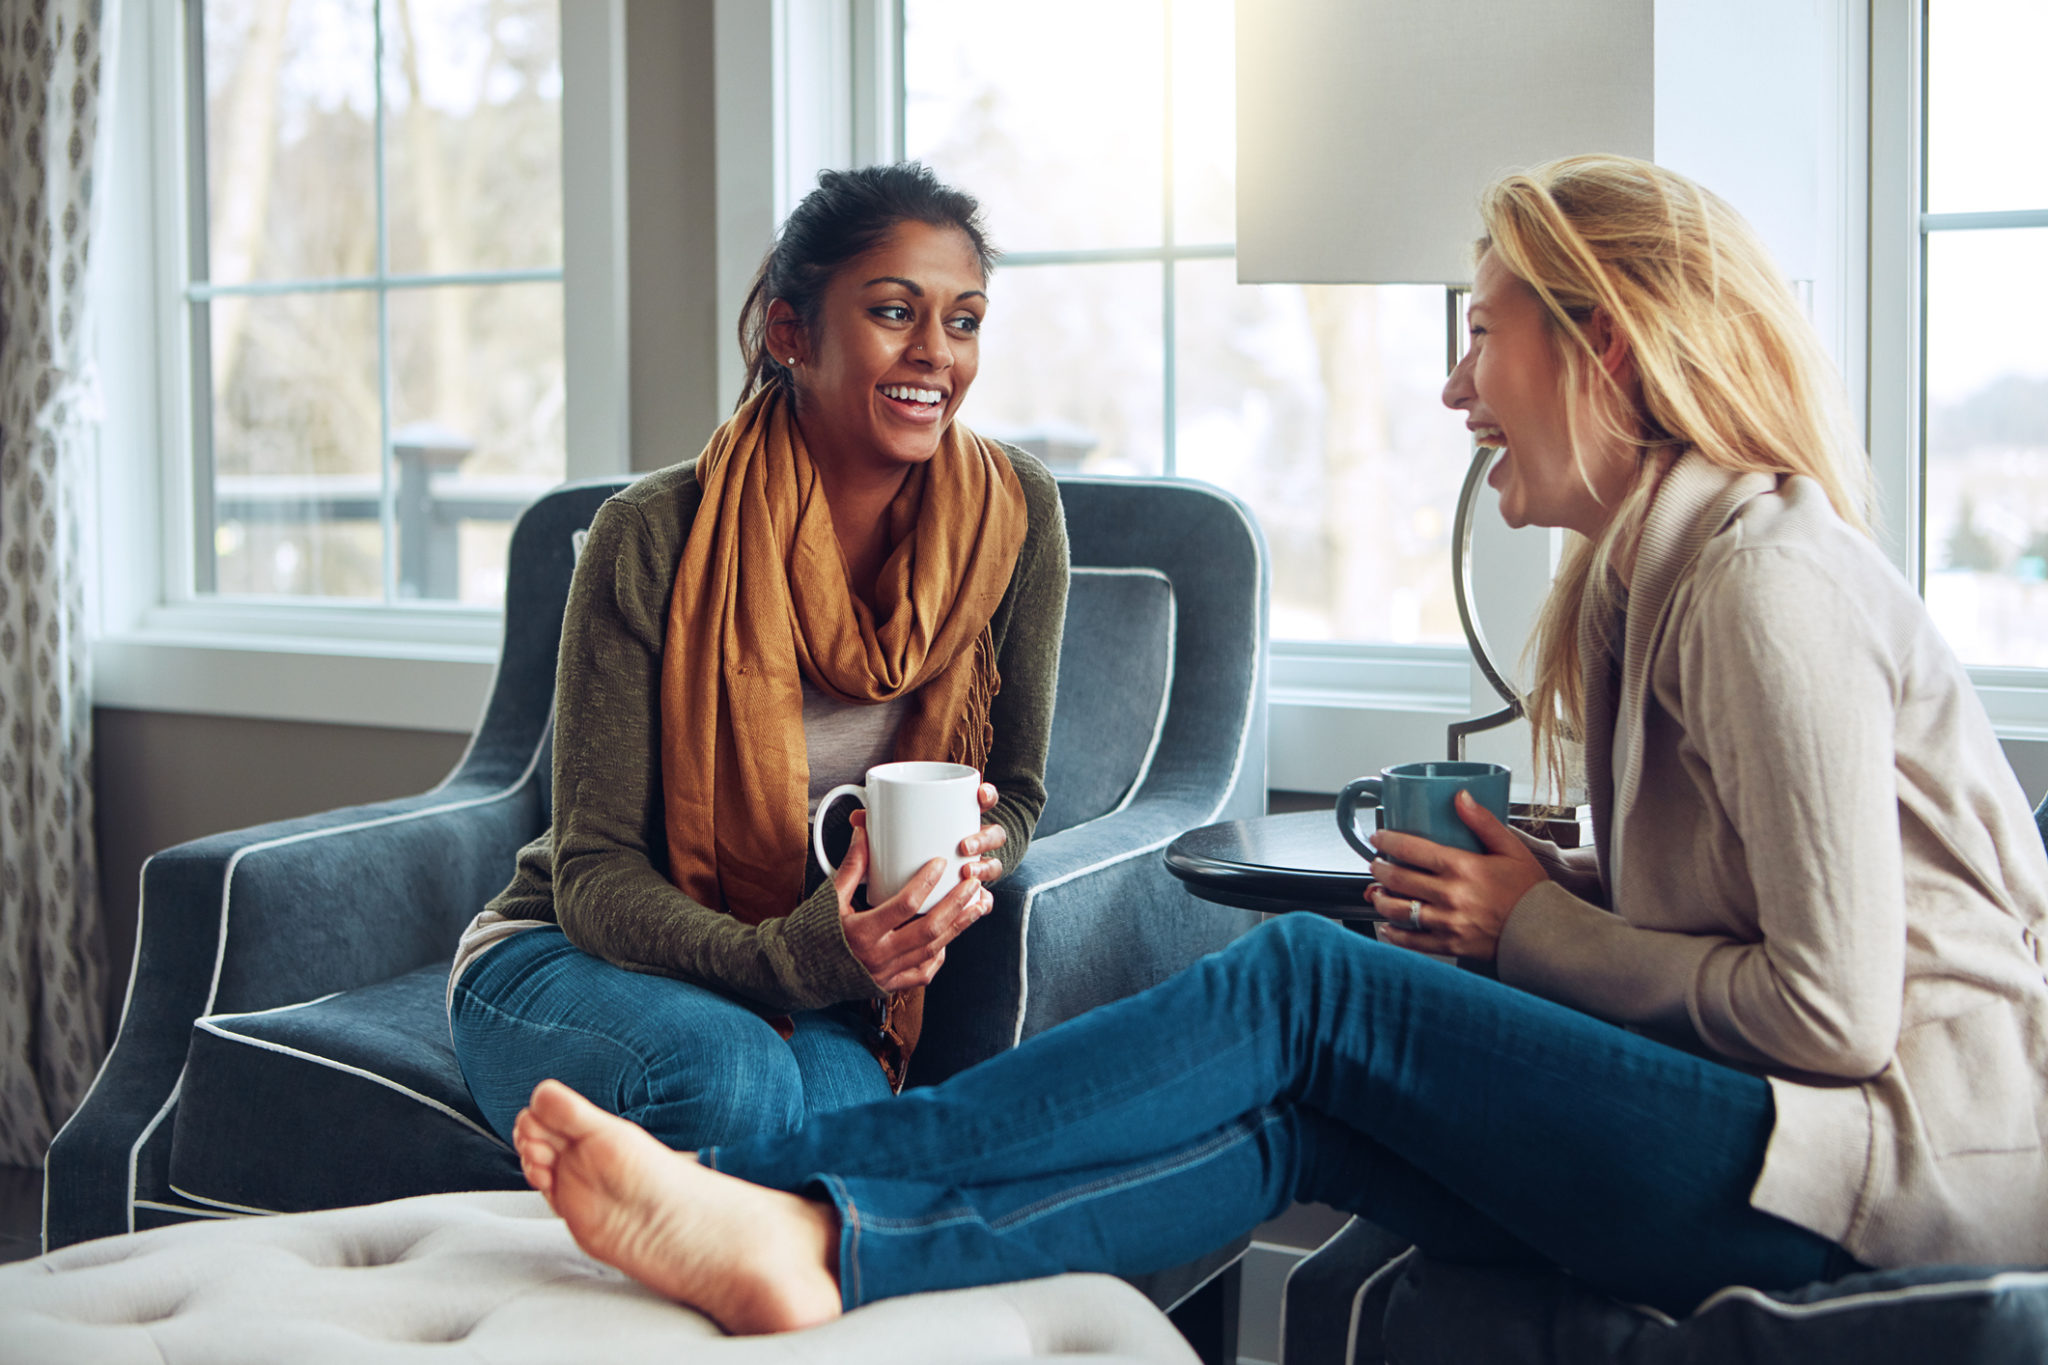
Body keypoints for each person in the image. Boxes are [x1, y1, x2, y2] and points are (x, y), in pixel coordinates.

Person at [503, 154, 2048, 1335]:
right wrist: (1561, 875)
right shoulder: (1654, 585)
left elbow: (1836, 1016)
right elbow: (1761, 909)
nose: (1454, 388)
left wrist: (1541, 926)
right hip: (1785, 1137)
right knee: (1304, 1109)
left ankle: (805, 1208)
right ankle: (839, 1254)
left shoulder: (1762, 584)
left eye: (1482, 337)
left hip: (1884, 1174)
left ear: (1610, 355)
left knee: (1310, 987)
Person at [448, 162, 1071, 1152]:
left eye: (963, 320)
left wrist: (953, 868)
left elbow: (1020, 794)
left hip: (830, 980)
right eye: (892, 312)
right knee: (732, 1082)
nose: (935, 354)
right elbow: (593, 874)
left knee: (839, 1139)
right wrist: (791, 955)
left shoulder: (1014, 517)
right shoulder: (652, 533)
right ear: (790, 334)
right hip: (573, 959)